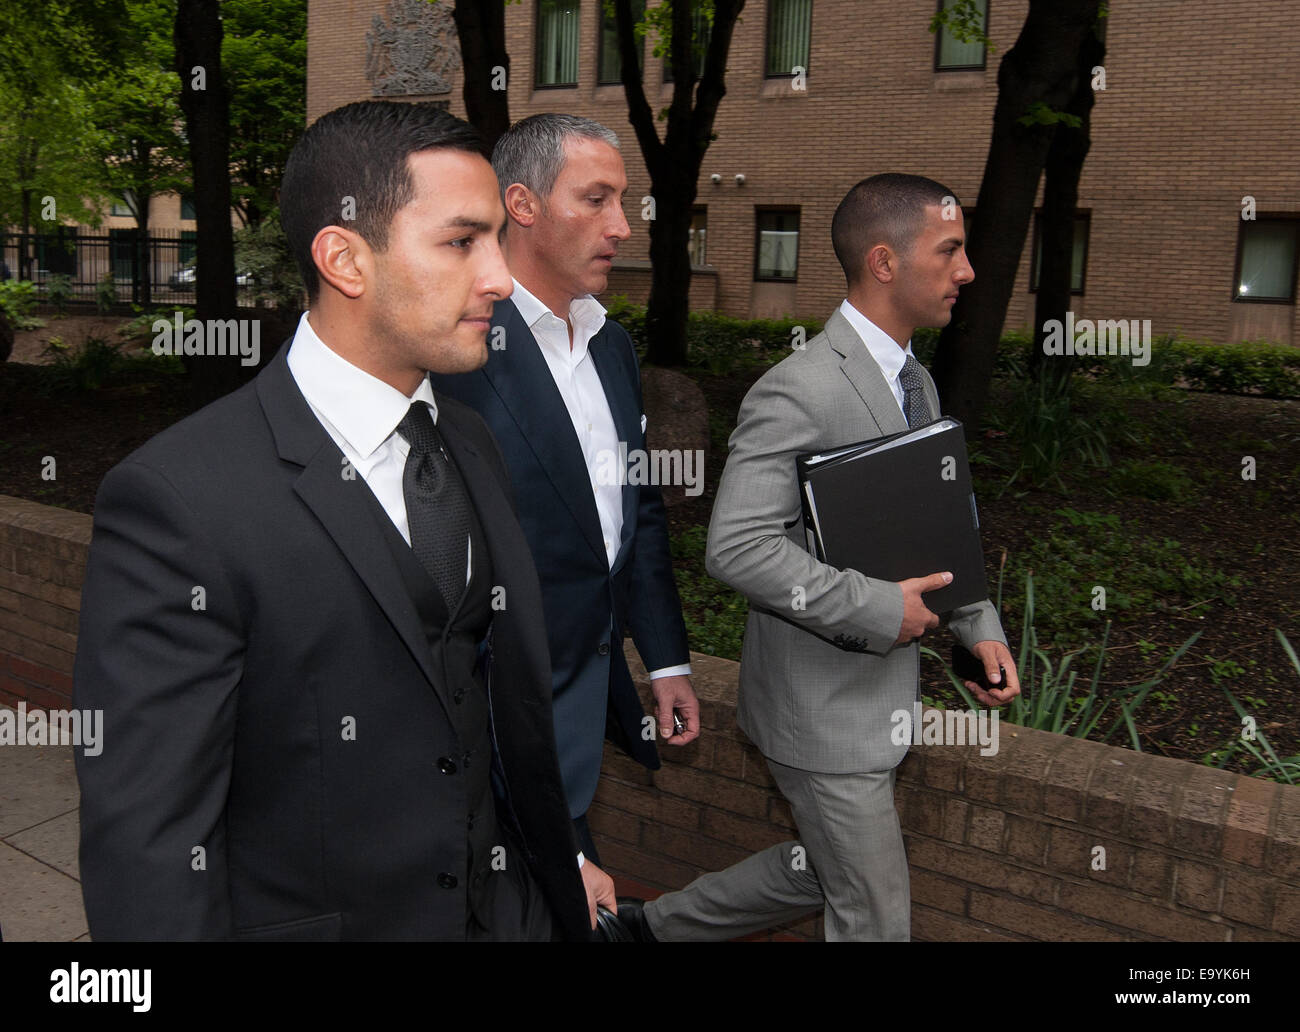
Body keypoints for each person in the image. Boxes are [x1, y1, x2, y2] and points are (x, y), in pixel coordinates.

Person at [72, 100, 606, 941]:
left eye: (498, 240)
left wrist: (557, 863)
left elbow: (491, 704)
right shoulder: (179, 502)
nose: (501, 276)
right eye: (463, 241)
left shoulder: (468, 439)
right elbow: (151, 847)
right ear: (345, 258)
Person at [633, 173, 1022, 942]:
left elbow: (935, 528)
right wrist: (881, 609)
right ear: (884, 262)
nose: (968, 271)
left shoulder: (920, 383)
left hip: (879, 704)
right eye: (950, 251)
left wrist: (977, 623)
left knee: (822, 867)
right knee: (875, 912)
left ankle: (650, 930)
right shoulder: (800, 388)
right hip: (820, 715)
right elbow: (737, 546)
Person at [430, 114, 699, 864]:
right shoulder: (454, 347)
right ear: (522, 205)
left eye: (624, 202)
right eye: (596, 199)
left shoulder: (611, 343)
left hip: (589, 689)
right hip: (490, 715)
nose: (621, 226)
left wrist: (666, 661)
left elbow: (633, 515)